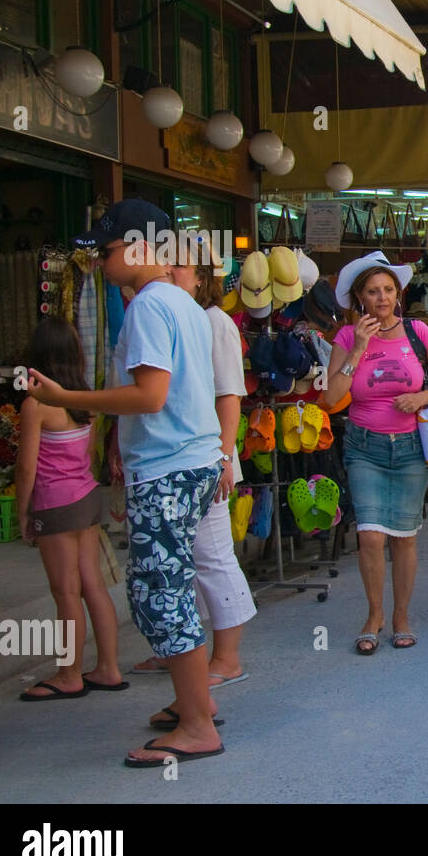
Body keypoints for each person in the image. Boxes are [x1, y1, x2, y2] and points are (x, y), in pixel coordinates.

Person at [28, 199, 226, 765]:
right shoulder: (180, 302)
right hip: (188, 462)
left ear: (141, 249)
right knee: (170, 588)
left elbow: (150, 396)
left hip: (168, 468)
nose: (102, 260)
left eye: (108, 249)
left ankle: (195, 724)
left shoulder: (148, 308)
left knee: (161, 594)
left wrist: (66, 399)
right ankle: (195, 706)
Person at [131, 251, 257, 696]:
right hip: (183, 457)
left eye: (180, 265)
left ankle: (227, 656)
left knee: (212, 554)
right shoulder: (169, 314)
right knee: (183, 559)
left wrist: (224, 456)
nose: (171, 270)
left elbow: (229, 395)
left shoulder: (213, 320)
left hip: (206, 457)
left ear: (202, 277)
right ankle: (181, 653)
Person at [322, 251, 428, 654]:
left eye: (387, 290)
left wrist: (423, 396)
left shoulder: (418, 331)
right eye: (372, 292)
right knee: (370, 537)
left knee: (404, 537)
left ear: (397, 293)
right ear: (359, 299)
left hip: (413, 447)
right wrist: (360, 349)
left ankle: (401, 616)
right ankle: (374, 615)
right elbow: (330, 399)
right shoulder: (347, 338)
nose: (381, 298)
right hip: (365, 447)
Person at [15, 317, 125, 701]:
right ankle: (109, 668)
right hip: (85, 498)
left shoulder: (37, 406)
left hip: (56, 504)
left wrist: (22, 512)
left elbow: (27, 466)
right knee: (92, 585)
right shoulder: (85, 403)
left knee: (65, 592)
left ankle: (69, 673)